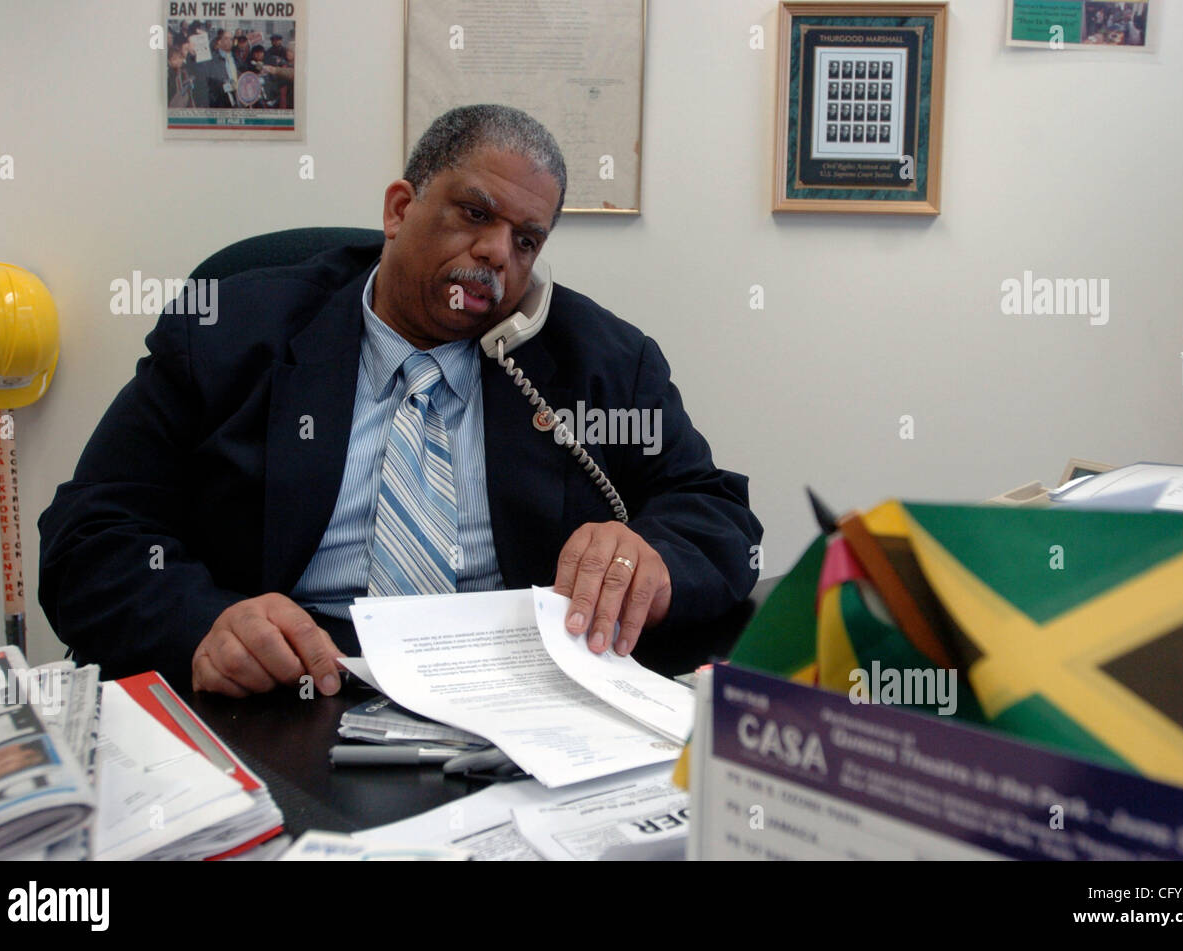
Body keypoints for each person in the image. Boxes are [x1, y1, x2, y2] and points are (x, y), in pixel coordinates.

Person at [39, 105, 762, 698]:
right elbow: (88, 534)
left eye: (526, 240)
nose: (496, 254)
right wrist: (205, 622)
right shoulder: (228, 333)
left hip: (511, 698)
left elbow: (718, 514)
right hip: (291, 687)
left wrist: (650, 556)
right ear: (399, 208)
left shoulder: (600, 360)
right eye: (475, 213)